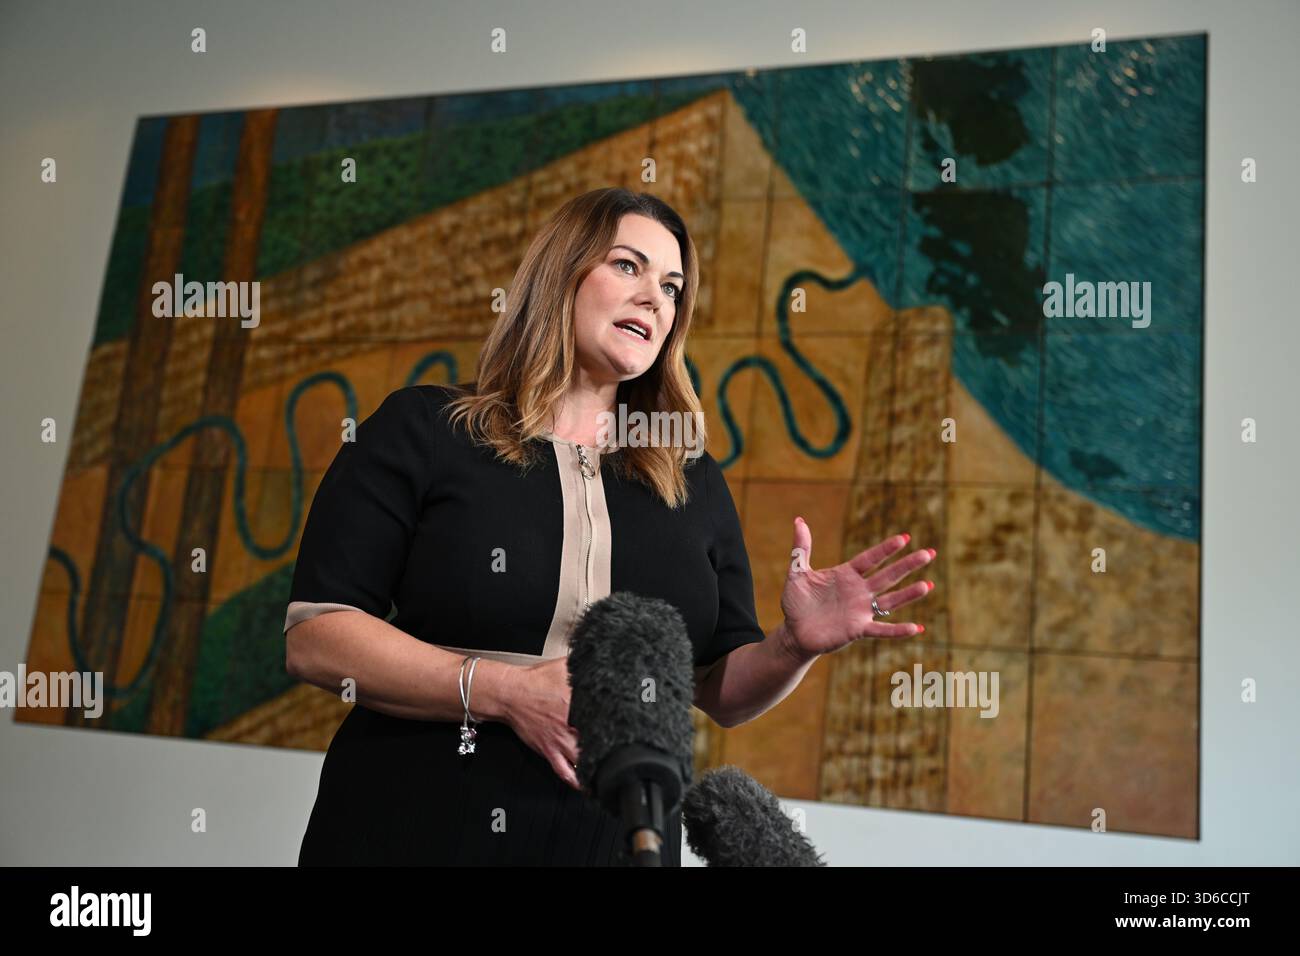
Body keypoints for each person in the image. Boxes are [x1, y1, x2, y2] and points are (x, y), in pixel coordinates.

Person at [283, 187, 937, 865]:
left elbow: (720, 690)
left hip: (613, 846)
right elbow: (317, 636)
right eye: (628, 266)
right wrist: (505, 693)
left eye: (672, 286)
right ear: (562, 275)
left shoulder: (689, 477)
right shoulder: (426, 429)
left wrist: (794, 645)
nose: (655, 297)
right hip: (412, 829)